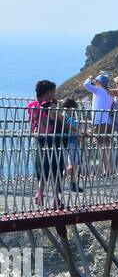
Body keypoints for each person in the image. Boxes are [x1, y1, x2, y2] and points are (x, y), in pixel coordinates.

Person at [27, 80, 64, 209]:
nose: (54, 94)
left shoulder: (33, 106)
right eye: (53, 91)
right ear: (48, 92)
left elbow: (32, 123)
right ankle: (55, 198)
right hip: (53, 140)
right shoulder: (50, 106)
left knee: (42, 167)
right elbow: (59, 119)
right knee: (56, 169)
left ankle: (39, 193)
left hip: (39, 139)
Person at [83, 72, 116, 174]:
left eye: (96, 81)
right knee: (107, 146)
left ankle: (106, 171)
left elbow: (86, 85)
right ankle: (110, 170)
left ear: (99, 82)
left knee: (101, 147)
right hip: (107, 121)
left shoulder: (99, 90)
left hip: (99, 122)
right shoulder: (109, 93)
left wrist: (89, 78)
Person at [61, 98, 82, 193]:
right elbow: (74, 129)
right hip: (72, 142)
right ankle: (71, 182)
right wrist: (79, 135)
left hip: (64, 142)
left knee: (69, 162)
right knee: (74, 162)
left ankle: (63, 180)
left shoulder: (62, 116)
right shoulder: (70, 118)